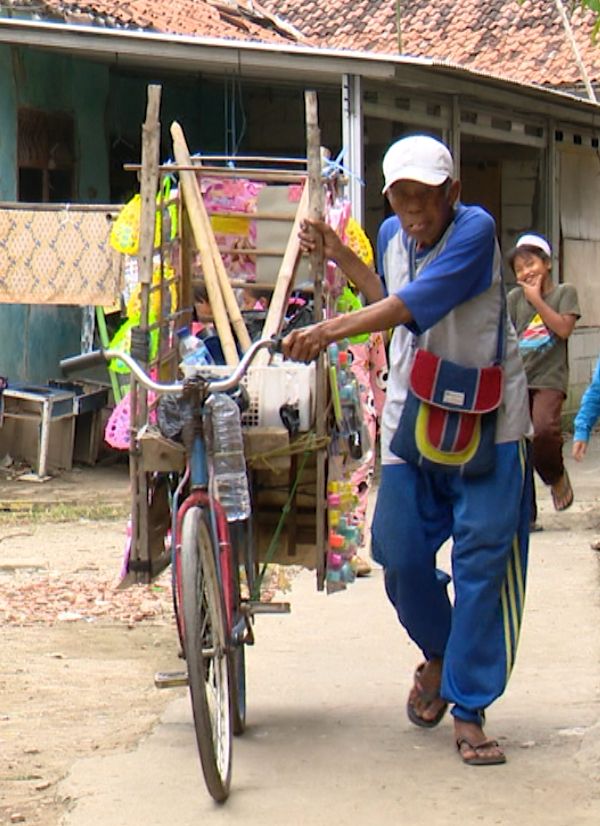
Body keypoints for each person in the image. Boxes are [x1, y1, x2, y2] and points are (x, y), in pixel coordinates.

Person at [282, 133, 532, 766]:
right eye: (402, 199)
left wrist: (326, 330)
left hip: (491, 418)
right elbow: (385, 295)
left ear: (453, 194)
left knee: (482, 562)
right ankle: (444, 654)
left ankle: (470, 710)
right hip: (414, 416)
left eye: (426, 199)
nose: (414, 212)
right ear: (389, 198)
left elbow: (410, 305)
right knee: (397, 553)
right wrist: (341, 254)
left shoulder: (475, 232)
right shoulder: (395, 236)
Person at [507, 234, 580, 528]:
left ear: (547, 263)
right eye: (519, 269)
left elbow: (563, 329)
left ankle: (555, 476)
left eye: (531, 264)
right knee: (518, 447)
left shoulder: (565, 292)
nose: (526, 273)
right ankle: (528, 515)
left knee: (545, 431)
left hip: (550, 378)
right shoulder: (513, 300)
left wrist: (536, 300)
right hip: (518, 380)